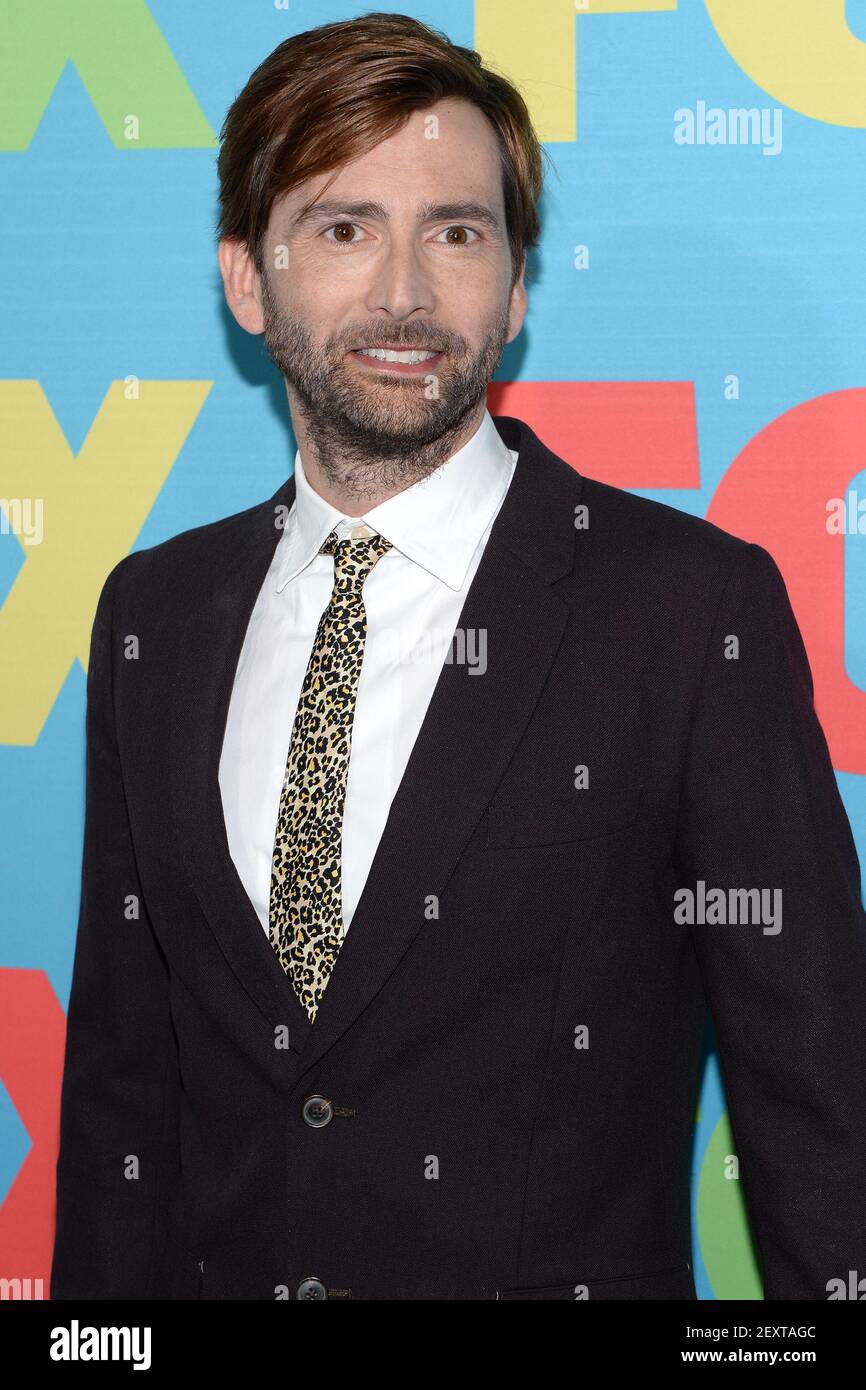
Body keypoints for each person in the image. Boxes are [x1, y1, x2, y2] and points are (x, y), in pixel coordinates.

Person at [50, 11, 866, 1301]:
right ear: (246, 280)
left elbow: (822, 1104)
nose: (404, 295)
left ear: (518, 284)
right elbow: (118, 1103)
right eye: (343, 227)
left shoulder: (686, 611)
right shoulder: (153, 615)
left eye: (457, 231)